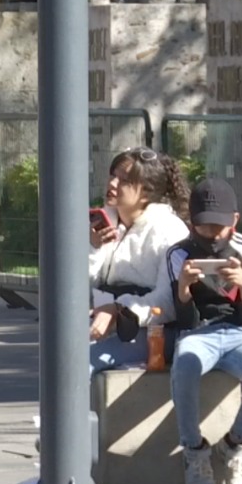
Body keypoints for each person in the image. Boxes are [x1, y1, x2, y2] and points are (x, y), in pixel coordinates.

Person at [165, 178, 242, 484]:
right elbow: (184, 321)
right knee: (185, 364)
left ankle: (234, 445)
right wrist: (184, 290)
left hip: (238, 331)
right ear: (192, 224)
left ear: (234, 222)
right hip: (198, 332)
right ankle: (194, 449)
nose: (213, 235)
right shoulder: (178, 254)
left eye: (220, 227)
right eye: (204, 227)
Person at [88, 148, 190, 372]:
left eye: (124, 180)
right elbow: (85, 286)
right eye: (112, 174)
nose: (112, 183)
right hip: (105, 320)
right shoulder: (108, 222)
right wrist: (93, 248)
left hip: (153, 331)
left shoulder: (168, 230)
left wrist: (119, 309)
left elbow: (168, 302)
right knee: (57, 352)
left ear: (146, 193)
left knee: (79, 364)